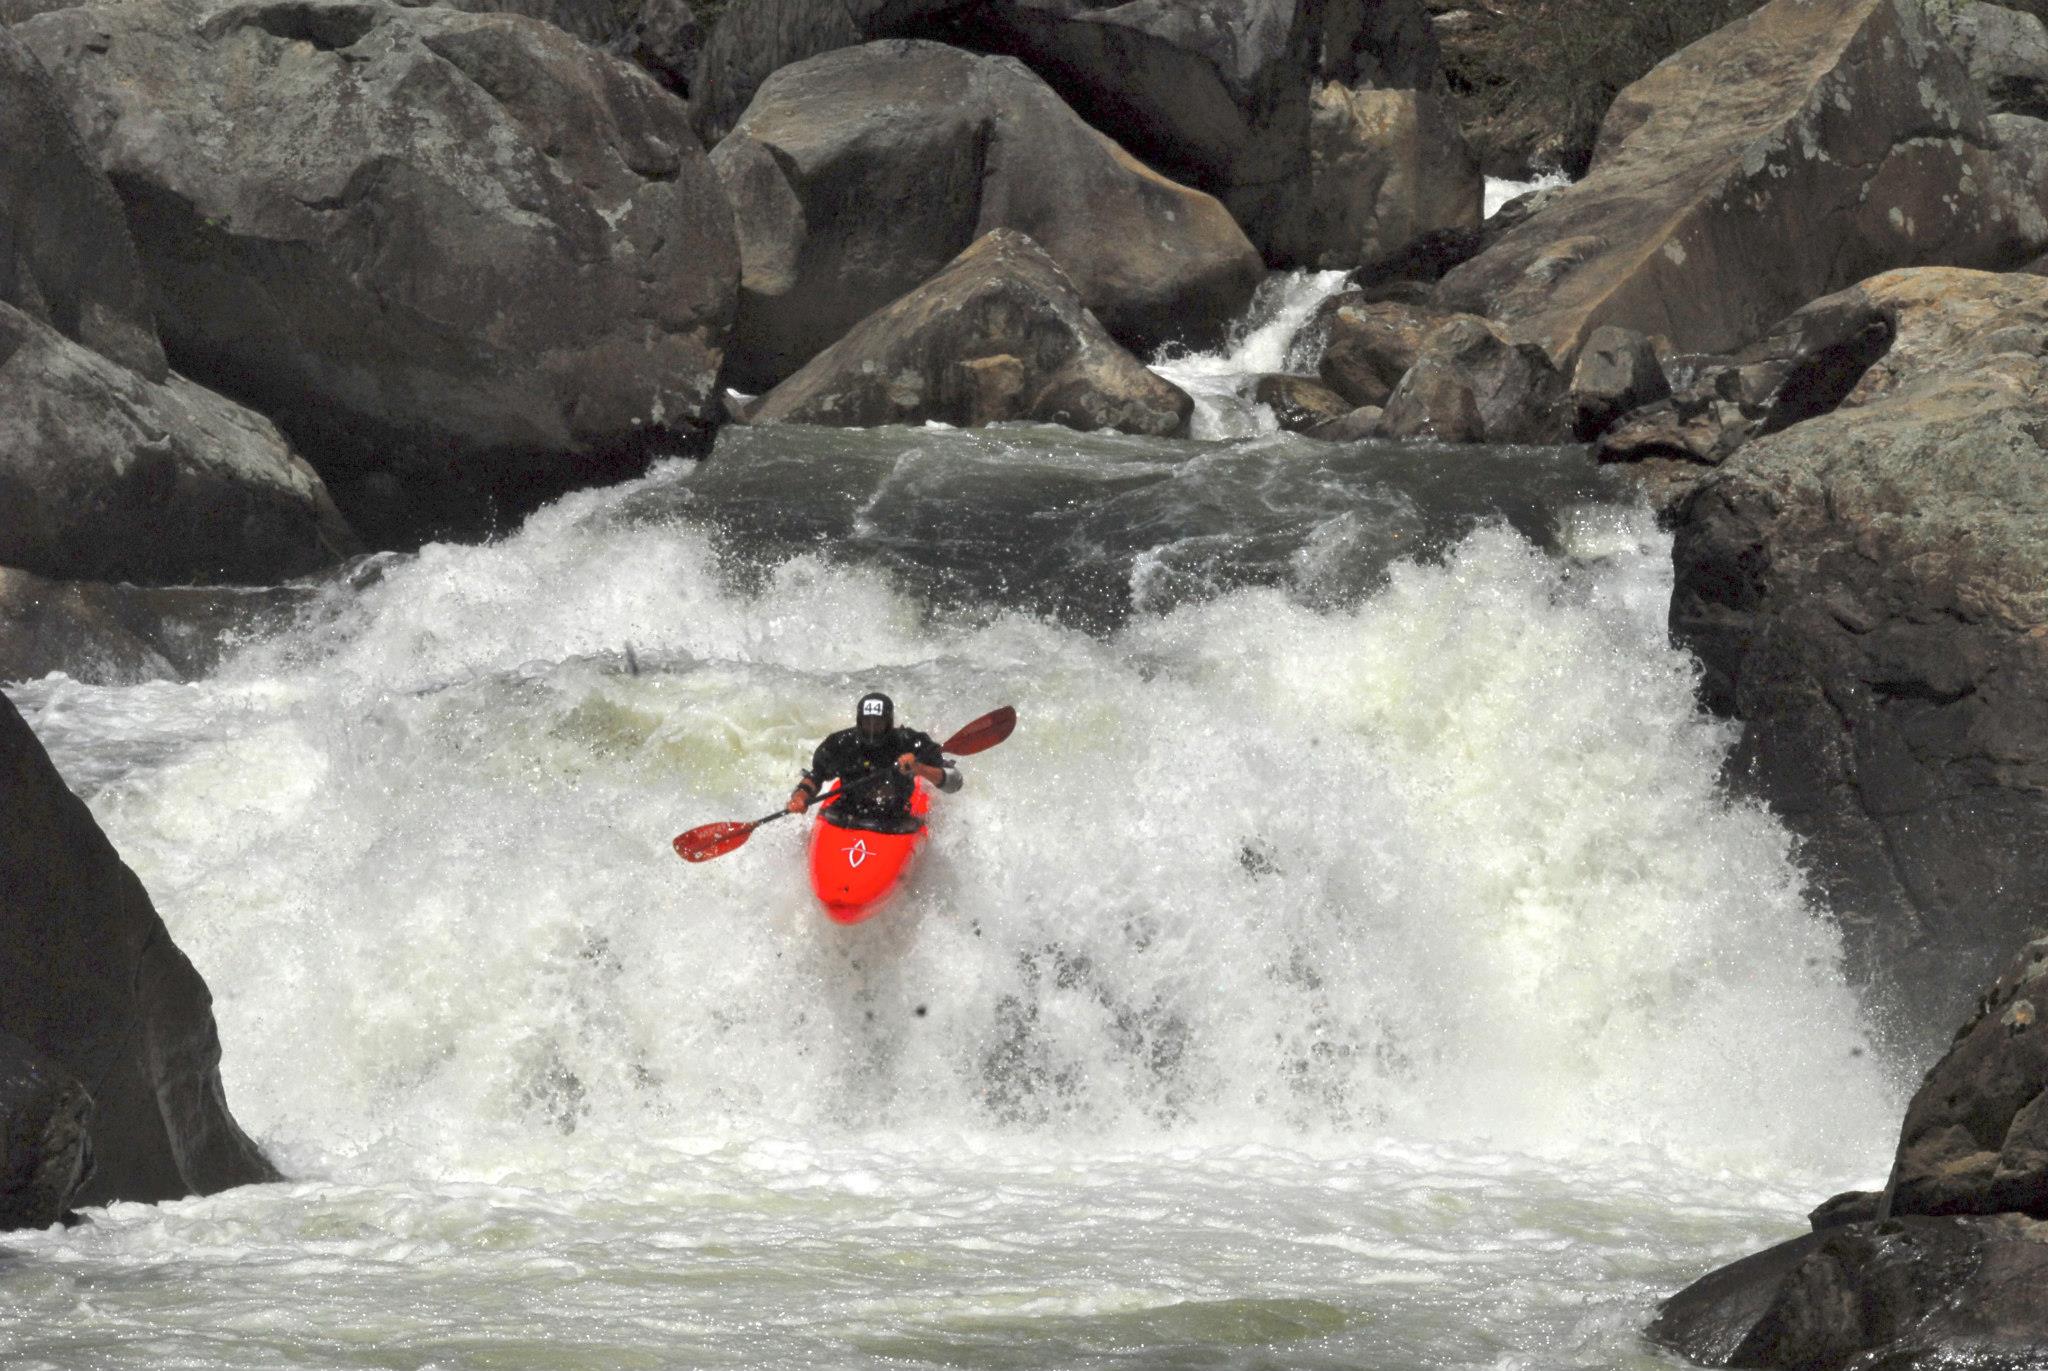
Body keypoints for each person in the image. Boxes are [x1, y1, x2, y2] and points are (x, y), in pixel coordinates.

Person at [786, 692, 962, 833]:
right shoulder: (841, 743)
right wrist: (800, 797)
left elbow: (955, 783)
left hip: (894, 820)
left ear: (889, 722)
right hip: (845, 816)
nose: (871, 729)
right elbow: (816, 776)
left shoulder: (909, 742)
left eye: (877, 723)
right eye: (866, 723)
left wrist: (918, 768)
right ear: (858, 721)